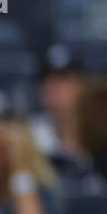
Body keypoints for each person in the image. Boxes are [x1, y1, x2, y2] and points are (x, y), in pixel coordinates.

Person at [29, 45, 86, 174]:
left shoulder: (100, 132)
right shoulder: (31, 135)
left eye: (63, 79)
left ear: (82, 86)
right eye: (47, 80)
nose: (53, 88)